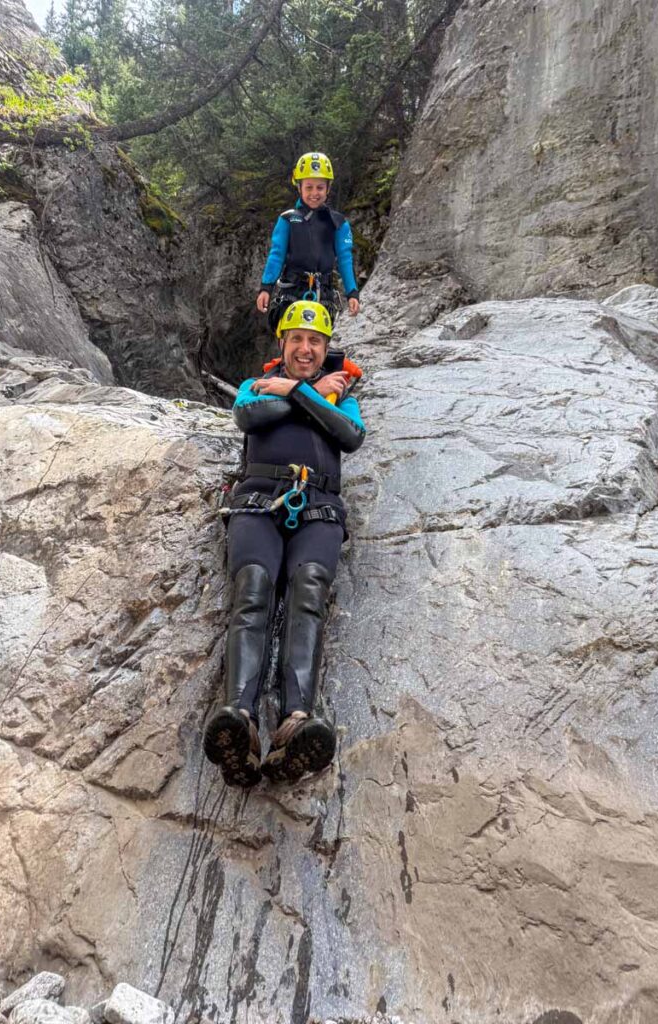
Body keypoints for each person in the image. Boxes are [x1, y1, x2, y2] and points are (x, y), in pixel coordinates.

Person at [204, 300, 366, 787]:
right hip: (257, 502)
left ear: (324, 348)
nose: (305, 347)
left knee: (308, 591)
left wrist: (297, 390)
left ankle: (296, 722)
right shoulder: (257, 386)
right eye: (296, 338)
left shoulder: (338, 395)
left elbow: (351, 435)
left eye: (314, 341)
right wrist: (312, 395)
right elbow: (252, 417)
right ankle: (240, 718)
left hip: (318, 506)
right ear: (283, 343)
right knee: (253, 589)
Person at [256, 151, 361, 335]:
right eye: (309, 187)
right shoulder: (287, 219)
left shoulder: (338, 222)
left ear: (328, 189)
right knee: (290, 338)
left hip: (324, 294)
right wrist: (266, 288)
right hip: (292, 292)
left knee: (318, 342)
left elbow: (345, 259)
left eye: (320, 188)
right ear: (299, 188)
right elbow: (277, 255)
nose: (314, 193)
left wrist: (352, 293)